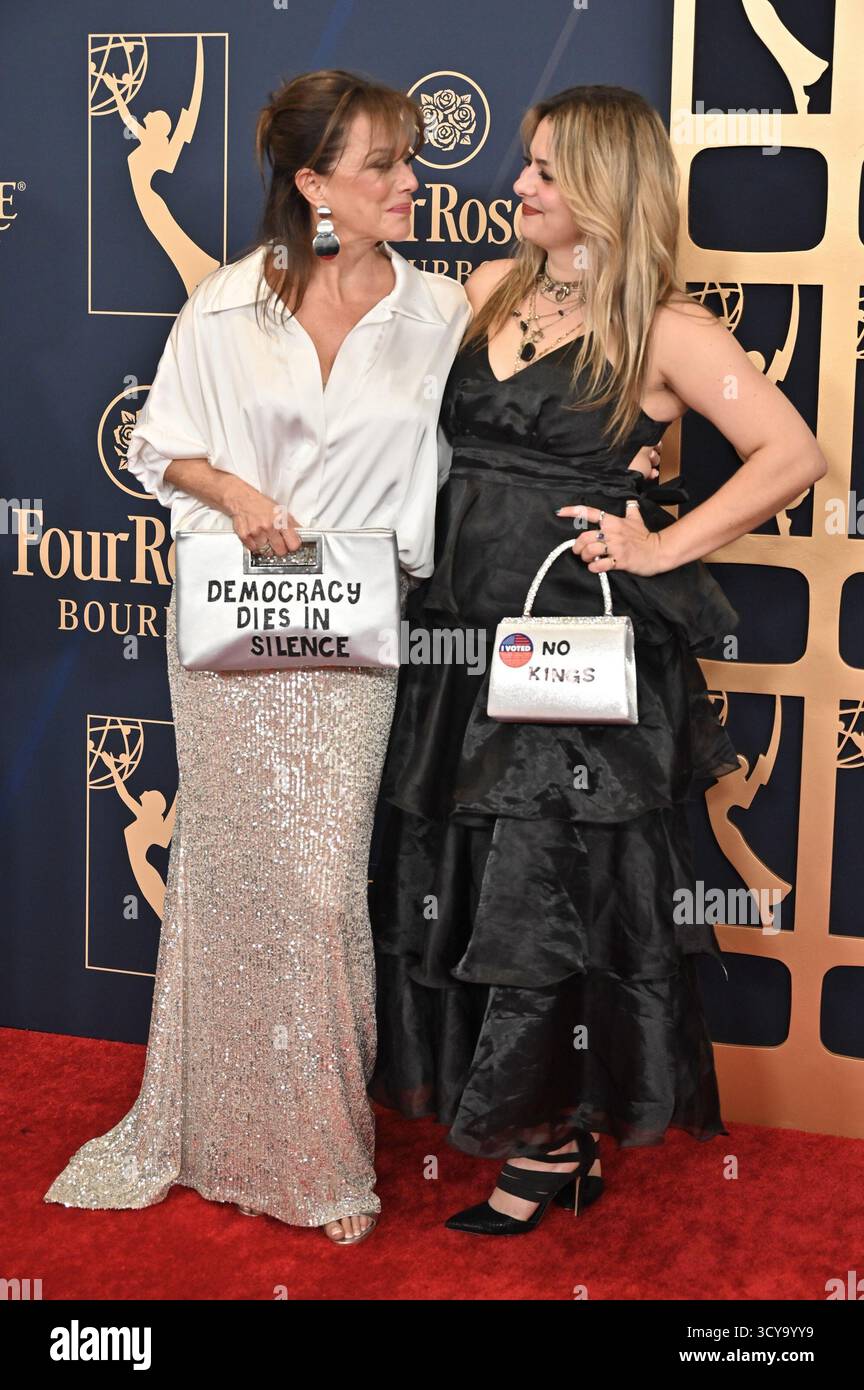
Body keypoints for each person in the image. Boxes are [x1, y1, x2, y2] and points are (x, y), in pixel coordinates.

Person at [368, 84, 827, 1235]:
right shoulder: (487, 291)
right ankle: (529, 1126)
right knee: (465, 882)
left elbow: (794, 451)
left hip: (568, 657)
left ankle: (555, 1140)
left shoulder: (666, 331)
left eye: (545, 173)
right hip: (455, 646)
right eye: (523, 165)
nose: (517, 186)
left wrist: (661, 540)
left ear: (608, 192)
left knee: (543, 892)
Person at [42, 69, 478, 1246]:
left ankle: (318, 1147)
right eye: (381, 163)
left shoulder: (441, 311)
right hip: (236, 636)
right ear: (314, 185)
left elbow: (503, 436)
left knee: (322, 881)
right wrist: (236, 491)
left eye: (408, 159)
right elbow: (157, 447)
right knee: (237, 883)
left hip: (354, 631)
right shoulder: (230, 305)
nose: (408, 180)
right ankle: (221, 1127)